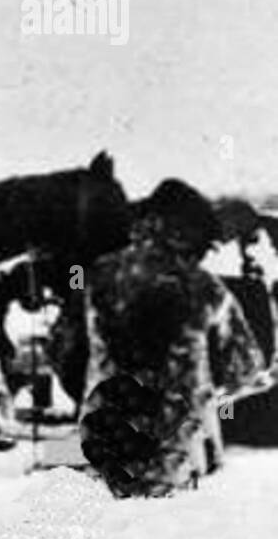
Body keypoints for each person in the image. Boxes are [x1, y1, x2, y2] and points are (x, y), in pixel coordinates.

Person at [77, 179, 270, 498]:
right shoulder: (205, 288)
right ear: (188, 234)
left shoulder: (97, 278)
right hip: (175, 462)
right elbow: (247, 368)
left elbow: (67, 349)